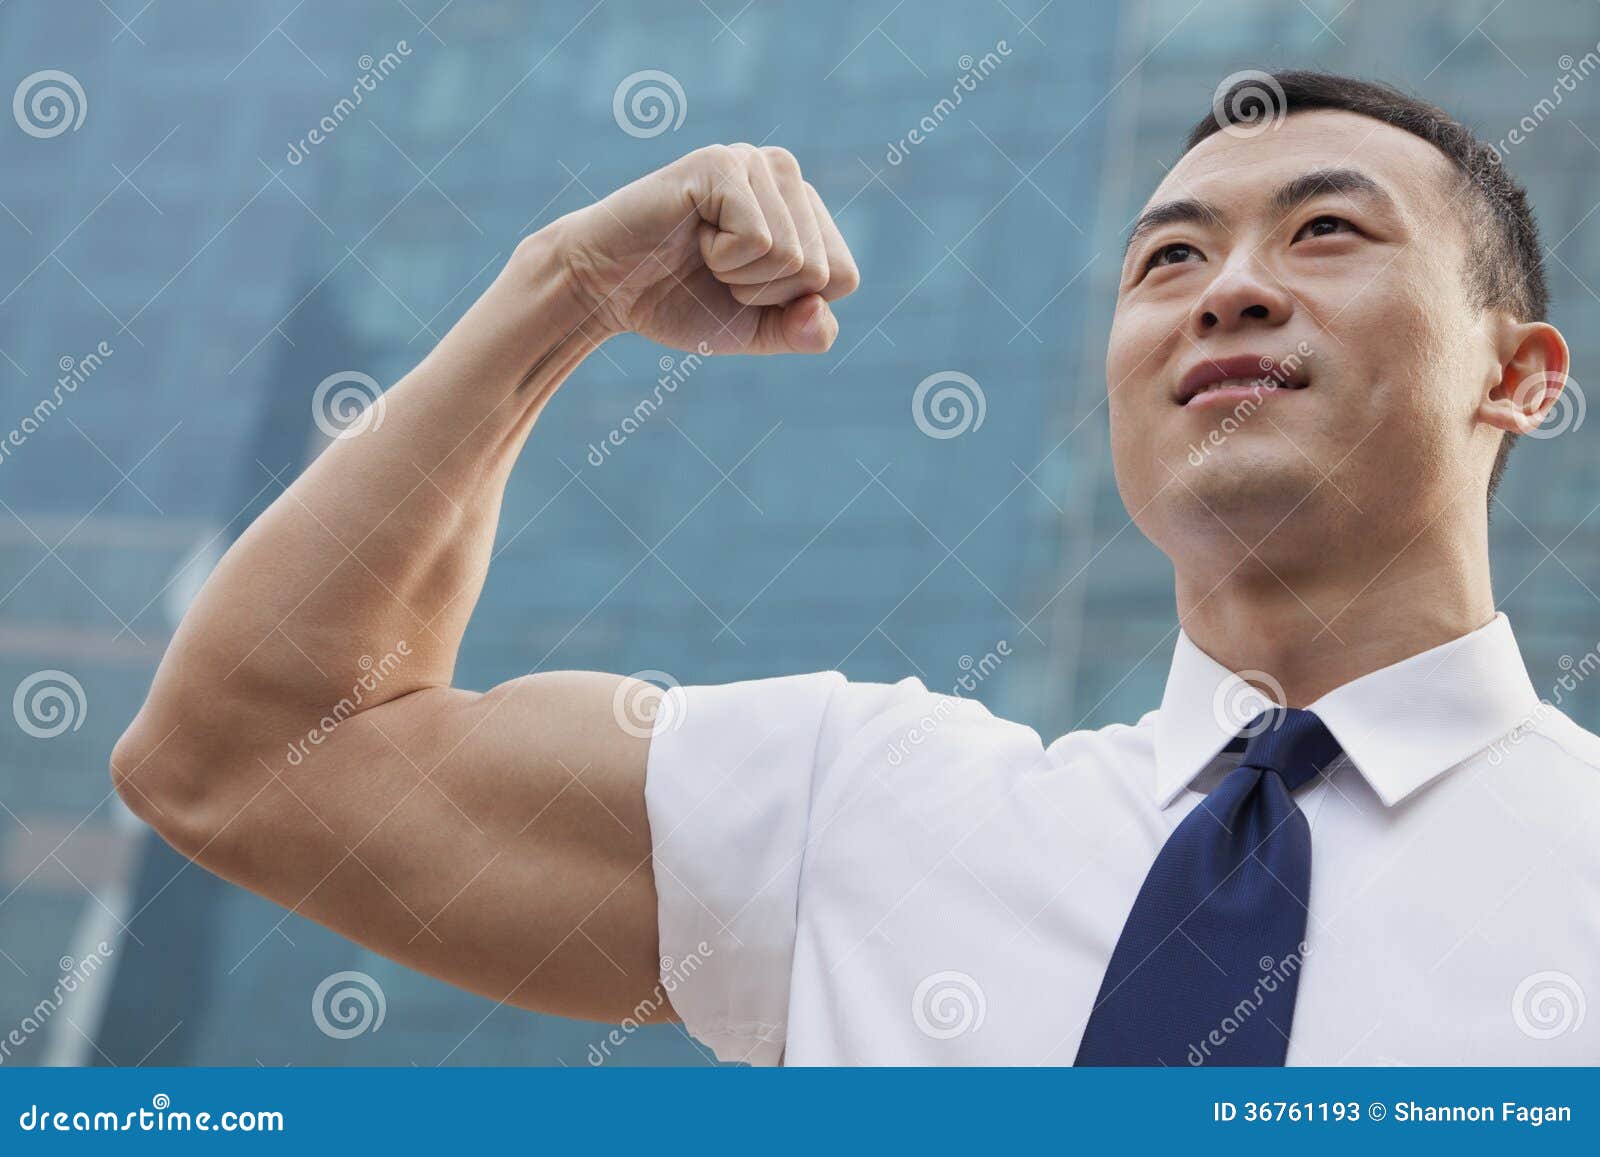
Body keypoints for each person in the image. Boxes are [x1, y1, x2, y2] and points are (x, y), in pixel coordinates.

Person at [112, 71, 1598, 1065]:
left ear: (1522, 376)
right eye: (1167, 261)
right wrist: (561, 292)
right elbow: (245, 759)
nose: (1229, 291)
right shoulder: (859, 810)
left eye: (1328, 229)